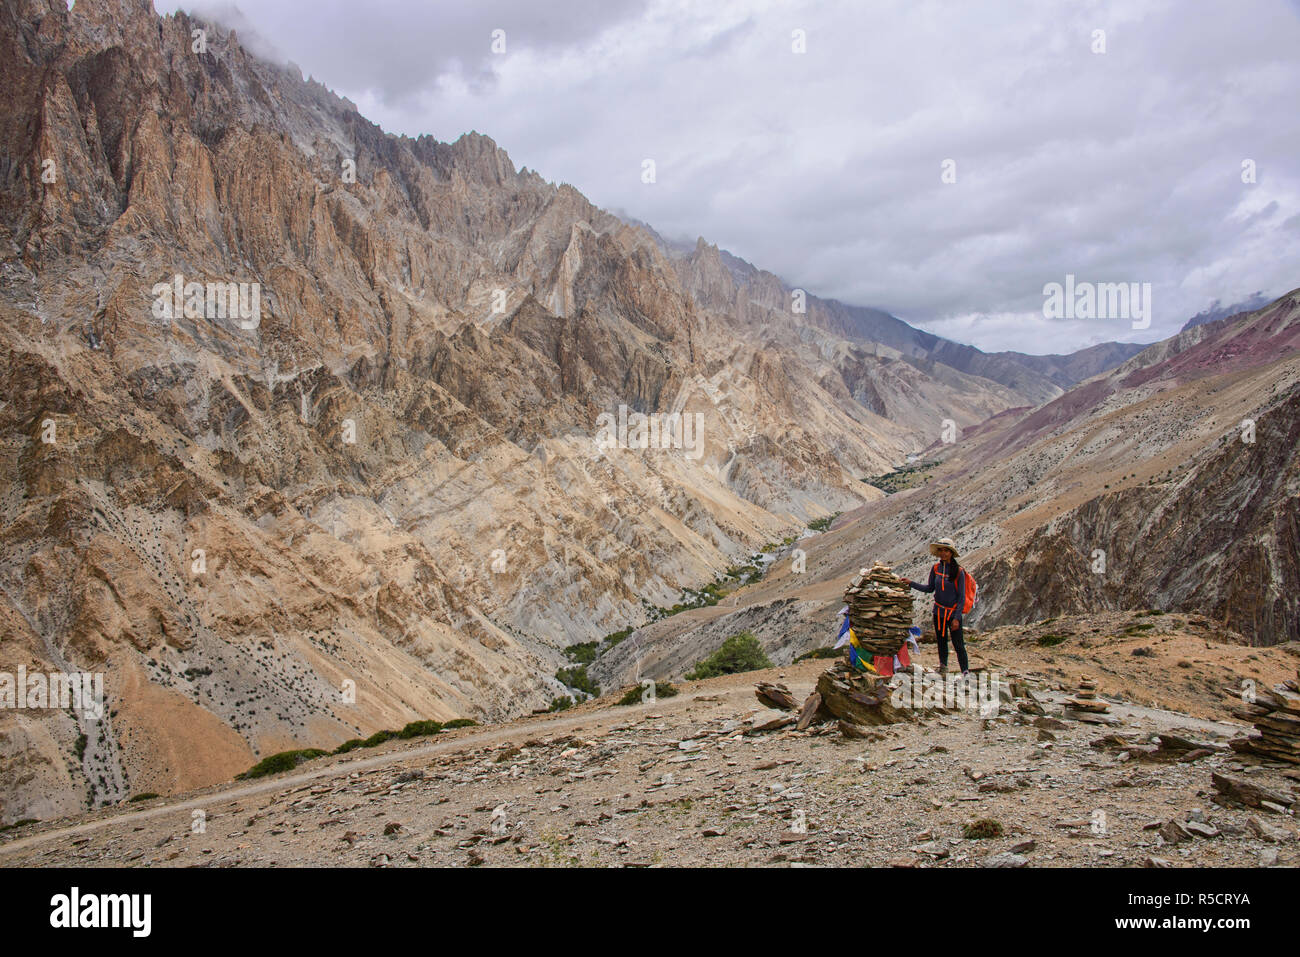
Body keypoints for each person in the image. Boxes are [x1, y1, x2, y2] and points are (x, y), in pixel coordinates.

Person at [906, 538, 969, 677]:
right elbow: (929, 588)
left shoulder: (959, 572)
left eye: (946, 550)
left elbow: (961, 597)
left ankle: (965, 671)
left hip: (952, 614)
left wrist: (957, 618)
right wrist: (911, 583)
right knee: (941, 641)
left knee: (958, 644)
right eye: (941, 550)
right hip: (938, 612)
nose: (943, 553)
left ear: (951, 553)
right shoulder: (935, 568)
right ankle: (943, 666)